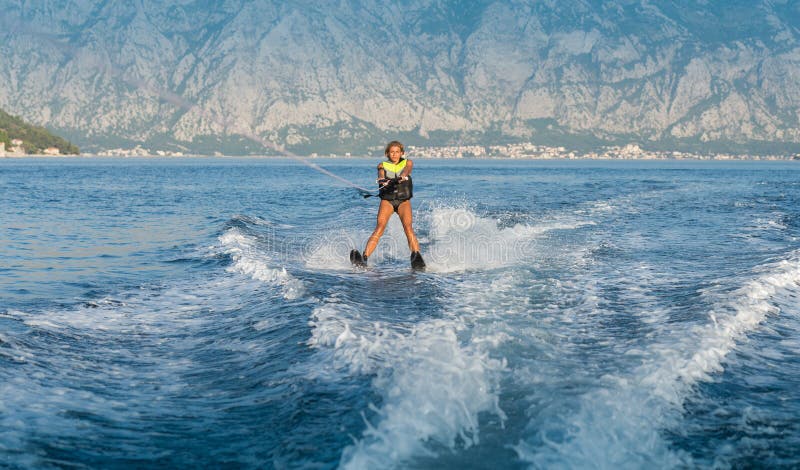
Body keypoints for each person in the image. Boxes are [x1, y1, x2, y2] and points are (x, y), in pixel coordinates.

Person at [350, 140, 425, 270]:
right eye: (392, 152)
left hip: (403, 201)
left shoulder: (408, 162)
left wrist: (403, 176)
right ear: (387, 154)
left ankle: (416, 256)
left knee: (408, 228)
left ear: (401, 153)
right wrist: (382, 179)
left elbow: (407, 170)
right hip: (387, 201)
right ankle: (364, 257)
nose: (394, 154)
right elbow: (381, 173)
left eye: (397, 152)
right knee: (380, 227)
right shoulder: (382, 165)